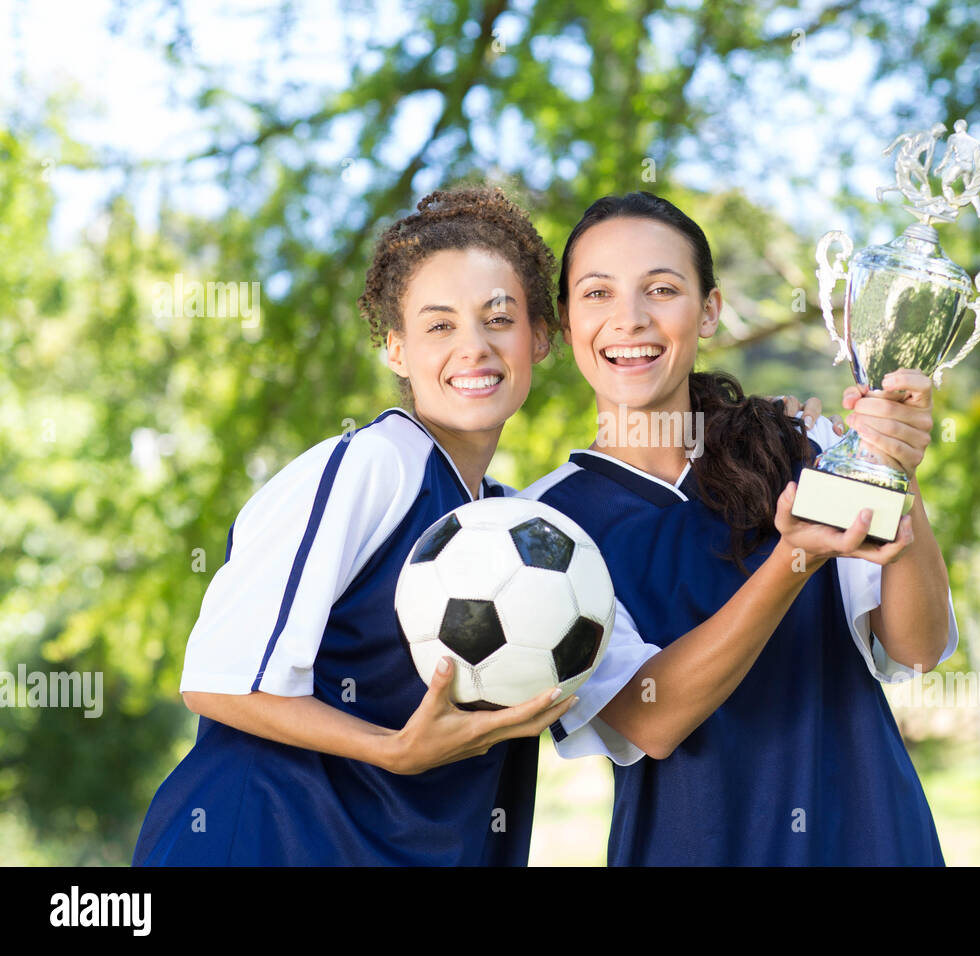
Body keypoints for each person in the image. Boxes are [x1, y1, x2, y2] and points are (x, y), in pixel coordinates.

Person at [132, 186, 639, 865]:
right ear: (396, 350)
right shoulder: (372, 465)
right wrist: (393, 752)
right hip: (258, 843)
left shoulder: (531, 538)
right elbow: (218, 681)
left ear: (541, 336)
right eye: (438, 326)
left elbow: (653, 714)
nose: (474, 347)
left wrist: (803, 528)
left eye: (500, 317)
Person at [523, 192, 959, 865]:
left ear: (710, 310)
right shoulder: (542, 529)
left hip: (870, 840)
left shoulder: (803, 447)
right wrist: (792, 559)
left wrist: (894, 467)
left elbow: (918, 648)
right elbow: (654, 719)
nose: (629, 319)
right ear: (565, 320)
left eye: (662, 289)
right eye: (597, 293)